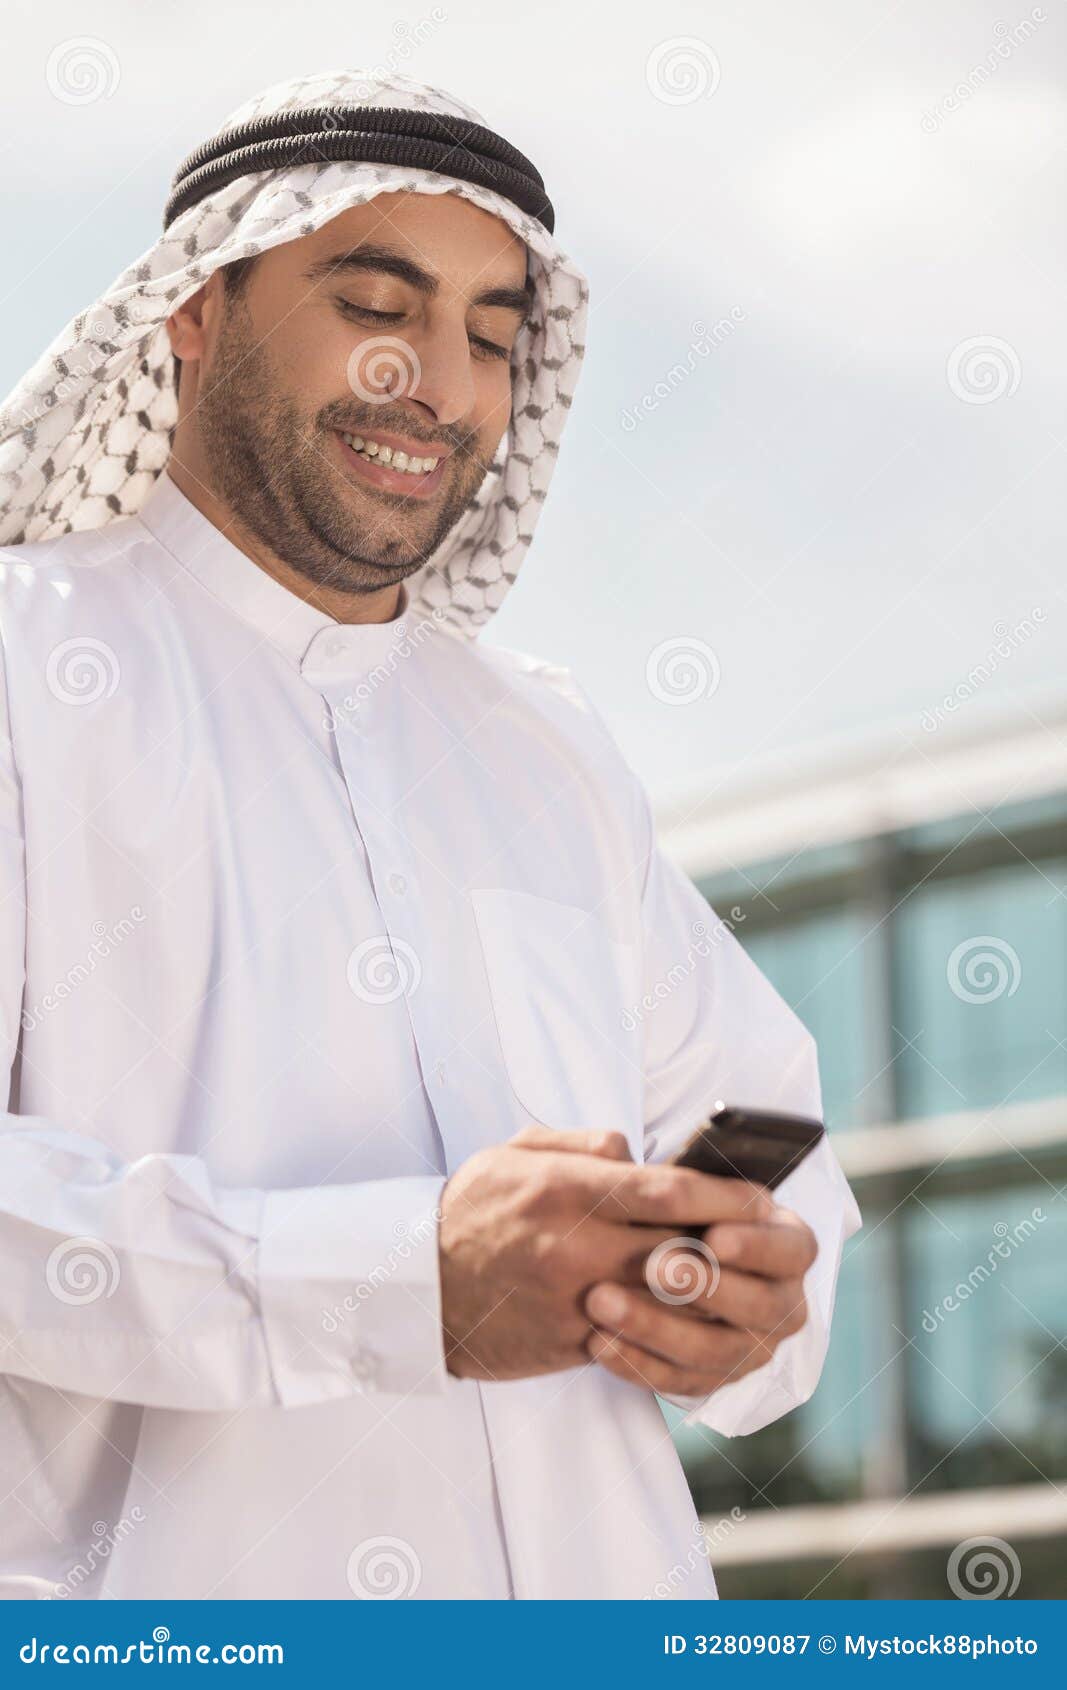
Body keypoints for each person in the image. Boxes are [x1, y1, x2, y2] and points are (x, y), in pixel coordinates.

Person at [0, 69, 860, 1600]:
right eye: (375, 304)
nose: (441, 387)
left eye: (492, 337)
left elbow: (776, 1151)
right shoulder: (26, 672)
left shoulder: (549, 749)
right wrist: (405, 1280)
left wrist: (747, 1293)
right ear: (194, 306)